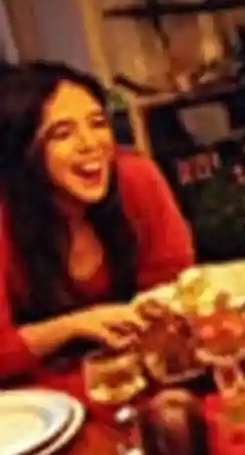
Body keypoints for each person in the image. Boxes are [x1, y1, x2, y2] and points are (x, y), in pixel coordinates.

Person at [0, 62, 194, 381]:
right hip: (37, 401)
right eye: (62, 133)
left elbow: (171, 279)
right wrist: (74, 325)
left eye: (97, 123)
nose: (91, 144)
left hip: (140, 368)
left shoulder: (135, 176)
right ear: (23, 151)